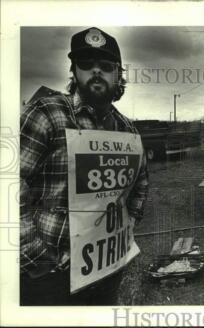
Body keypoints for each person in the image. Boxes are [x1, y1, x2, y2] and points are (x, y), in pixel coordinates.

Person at [20, 27, 148, 305]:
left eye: (105, 66)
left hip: (106, 269)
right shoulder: (48, 113)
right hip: (52, 276)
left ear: (118, 74)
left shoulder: (128, 130)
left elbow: (141, 183)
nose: (96, 71)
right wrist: (36, 255)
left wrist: (130, 223)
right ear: (74, 72)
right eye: (86, 65)